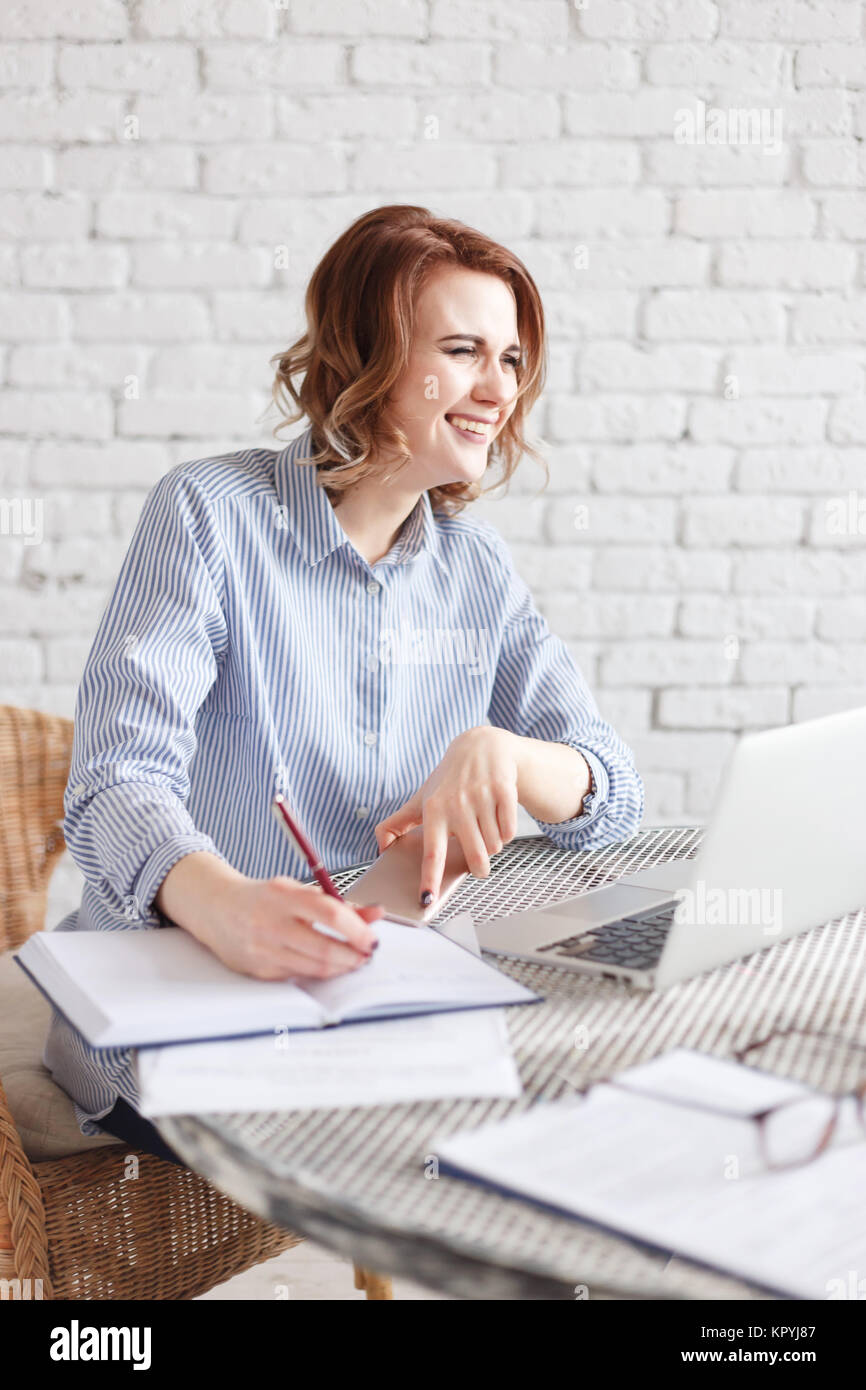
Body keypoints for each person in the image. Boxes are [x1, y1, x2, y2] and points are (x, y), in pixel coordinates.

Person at [44, 204, 644, 1161]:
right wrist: (227, 905)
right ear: (369, 357)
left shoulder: (474, 568)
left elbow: (611, 792)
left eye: (513, 359)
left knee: (607, 1096)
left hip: (392, 994)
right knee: (507, 1146)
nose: (498, 389)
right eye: (462, 350)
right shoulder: (208, 515)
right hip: (190, 997)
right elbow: (113, 786)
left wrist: (507, 754)